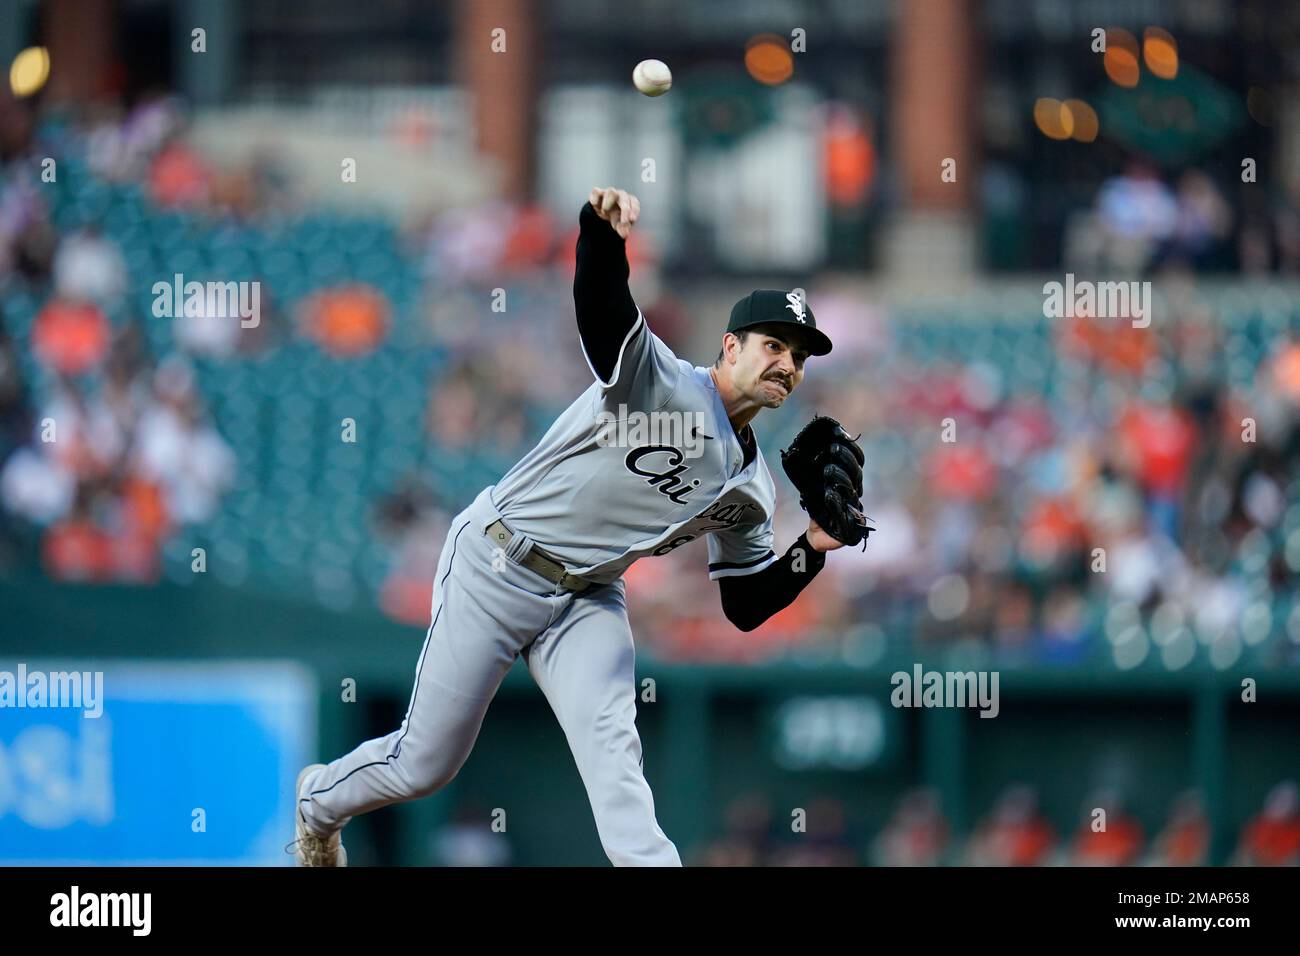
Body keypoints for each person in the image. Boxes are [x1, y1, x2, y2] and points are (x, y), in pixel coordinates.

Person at [290, 187, 855, 867]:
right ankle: (318, 803)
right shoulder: (661, 384)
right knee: (424, 764)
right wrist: (600, 235)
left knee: (617, 762)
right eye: (774, 345)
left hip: (587, 597)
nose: (787, 365)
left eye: (798, 357)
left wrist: (814, 547)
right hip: (498, 563)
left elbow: (744, 602)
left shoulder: (754, 489)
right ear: (730, 346)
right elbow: (604, 313)